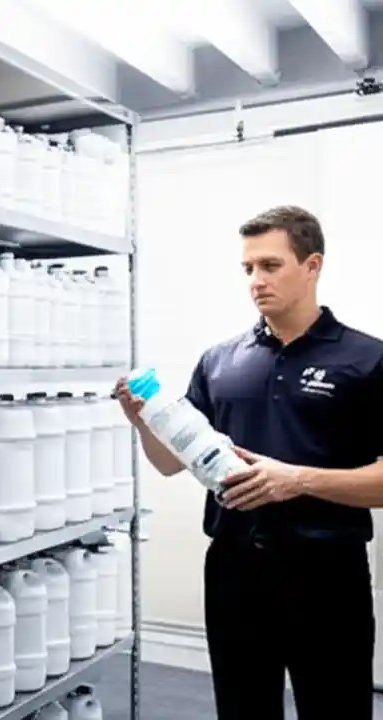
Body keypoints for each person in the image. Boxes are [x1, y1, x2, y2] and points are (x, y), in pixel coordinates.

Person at [115, 205, 383, 719]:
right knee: (242, 708)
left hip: (327, 572)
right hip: (236, 569)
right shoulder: (220, 361)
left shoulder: (365, 360)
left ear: (312, 265)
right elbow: (172, 464)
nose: (256, 281)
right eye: (248, 269)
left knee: (336, 708)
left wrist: (296, 479)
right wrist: (143, 421)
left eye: (270, 265)